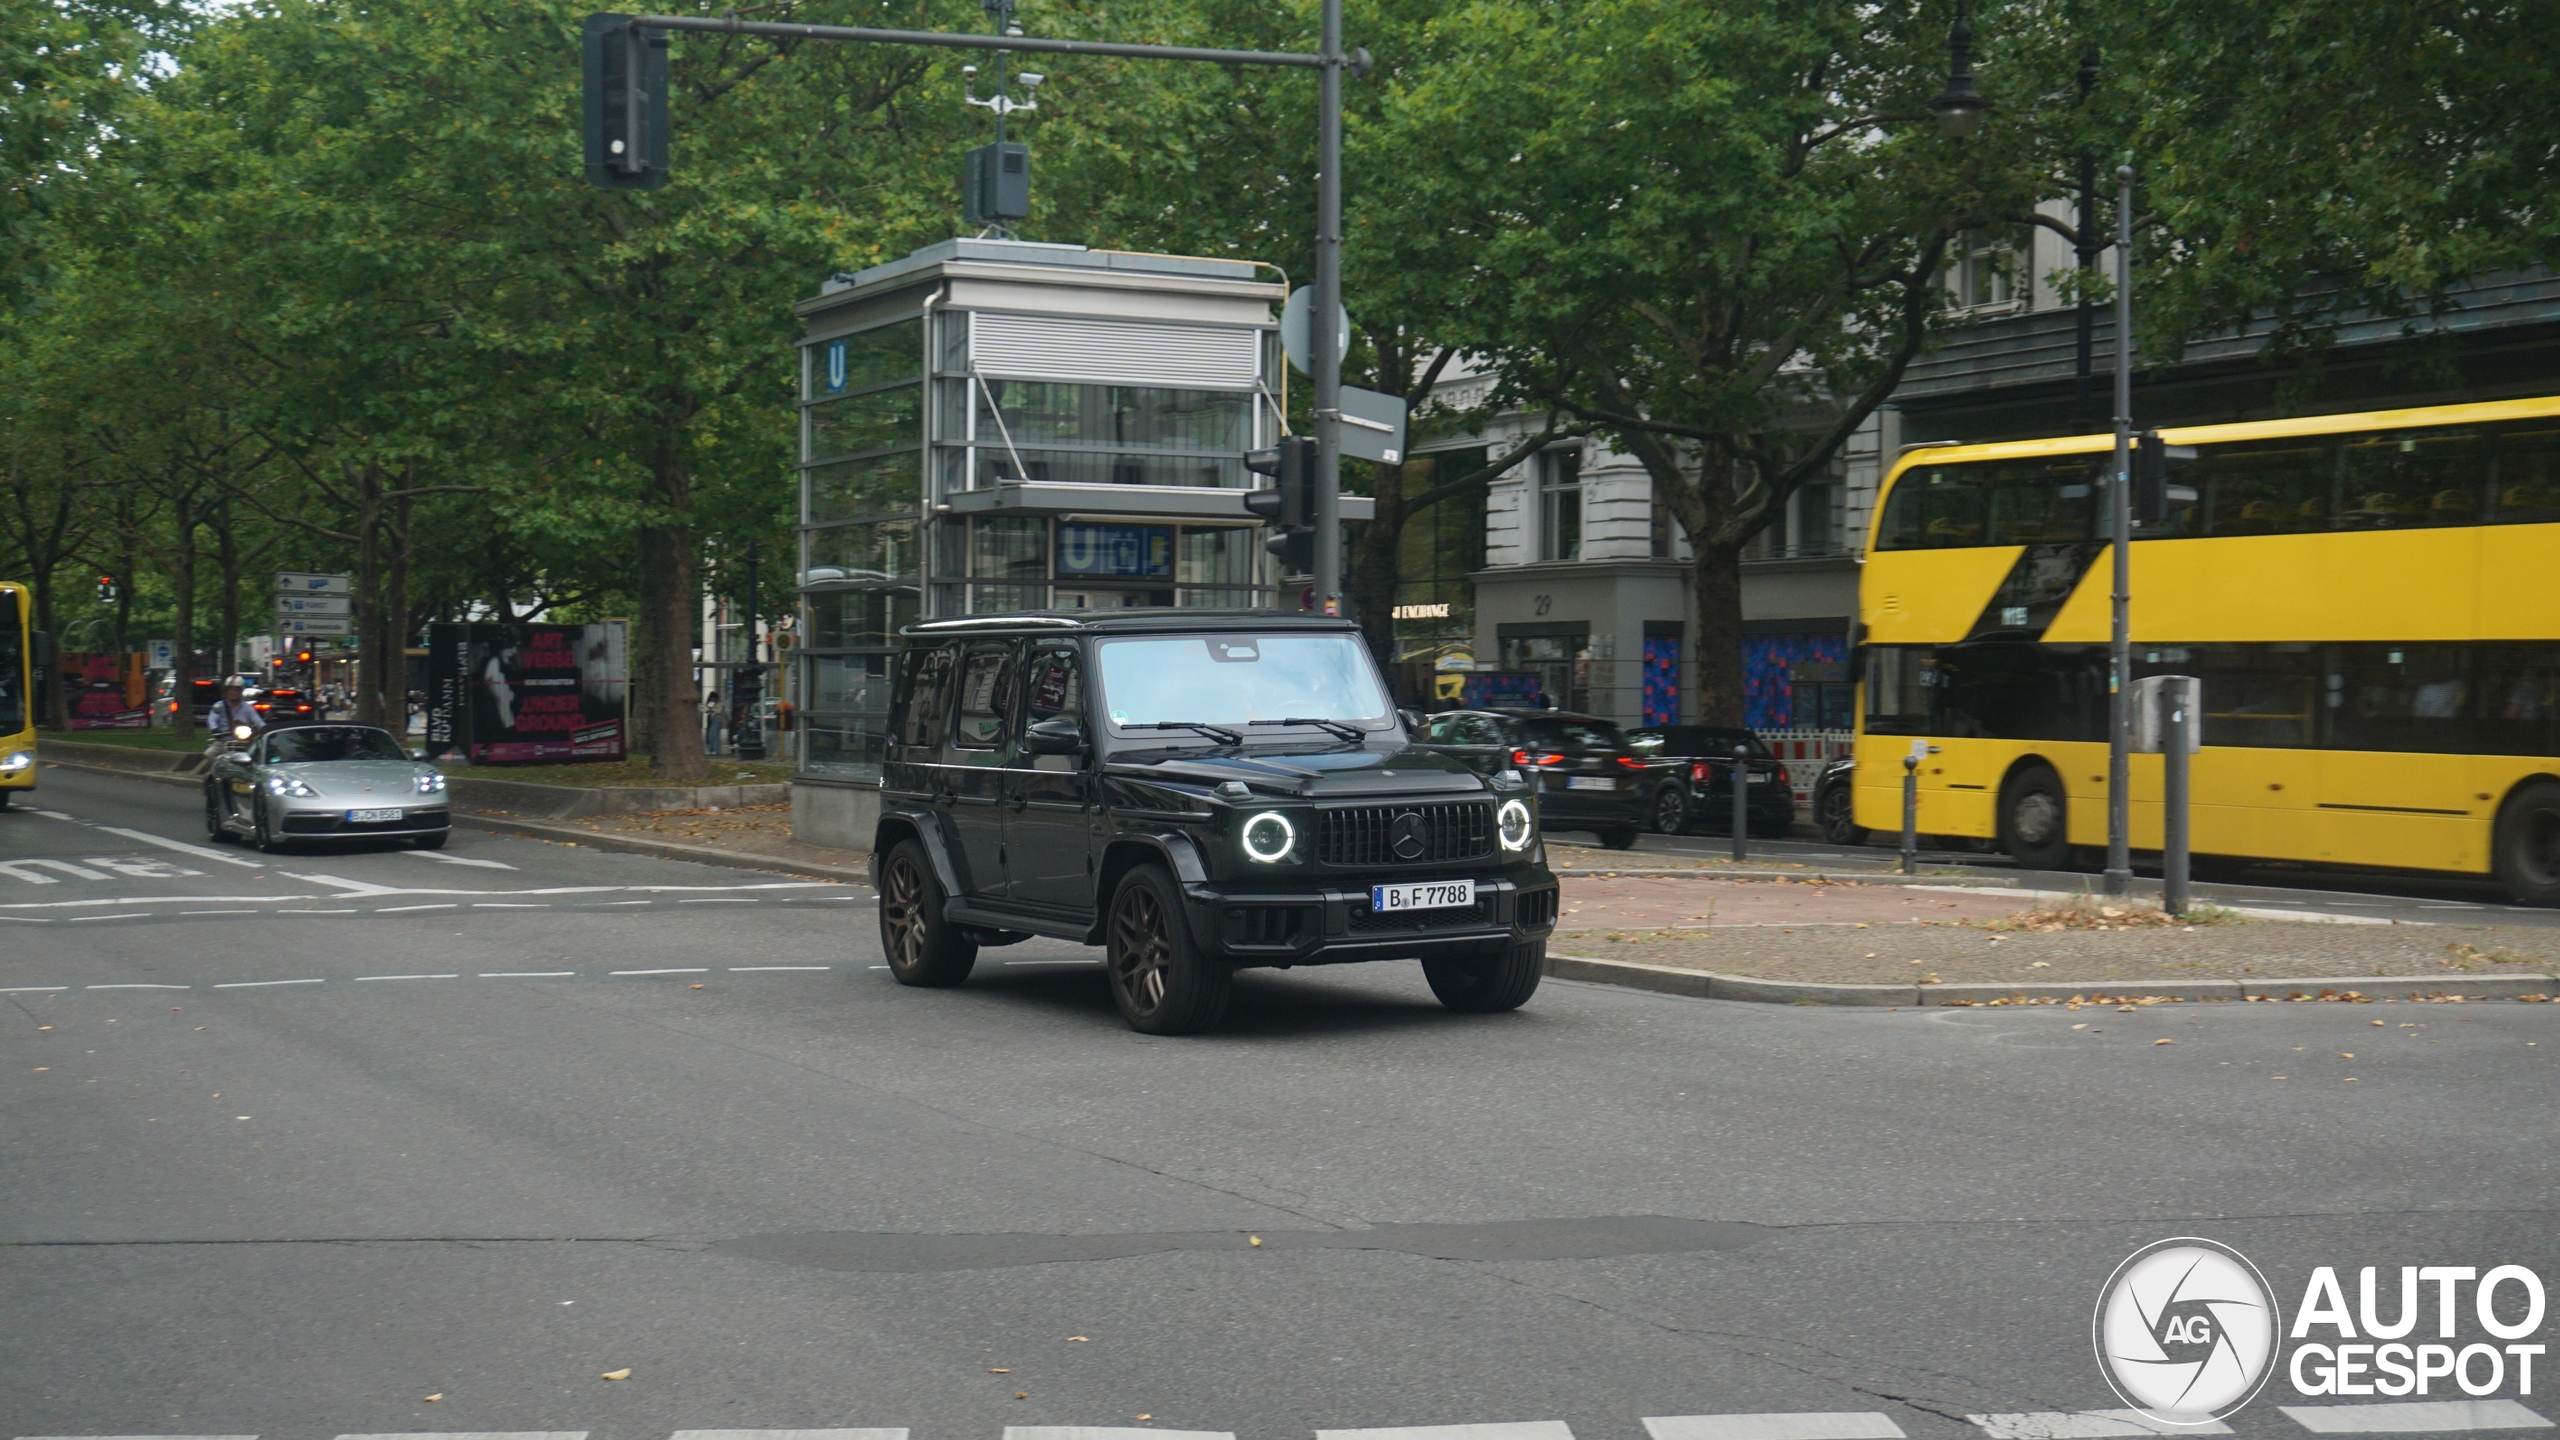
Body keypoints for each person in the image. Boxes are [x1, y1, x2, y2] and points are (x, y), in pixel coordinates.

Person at [205, 682, 265, 751]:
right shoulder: (219, 706)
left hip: (244, 743)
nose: (233, 692)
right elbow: (212, 720)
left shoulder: (247, 707)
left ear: (241, 692)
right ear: (226, 691)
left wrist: (263, 728)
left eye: (236, 690)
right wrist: (214, 729)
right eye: (230, 690)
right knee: (209, 753)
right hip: (223, 743)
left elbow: (257, 721)